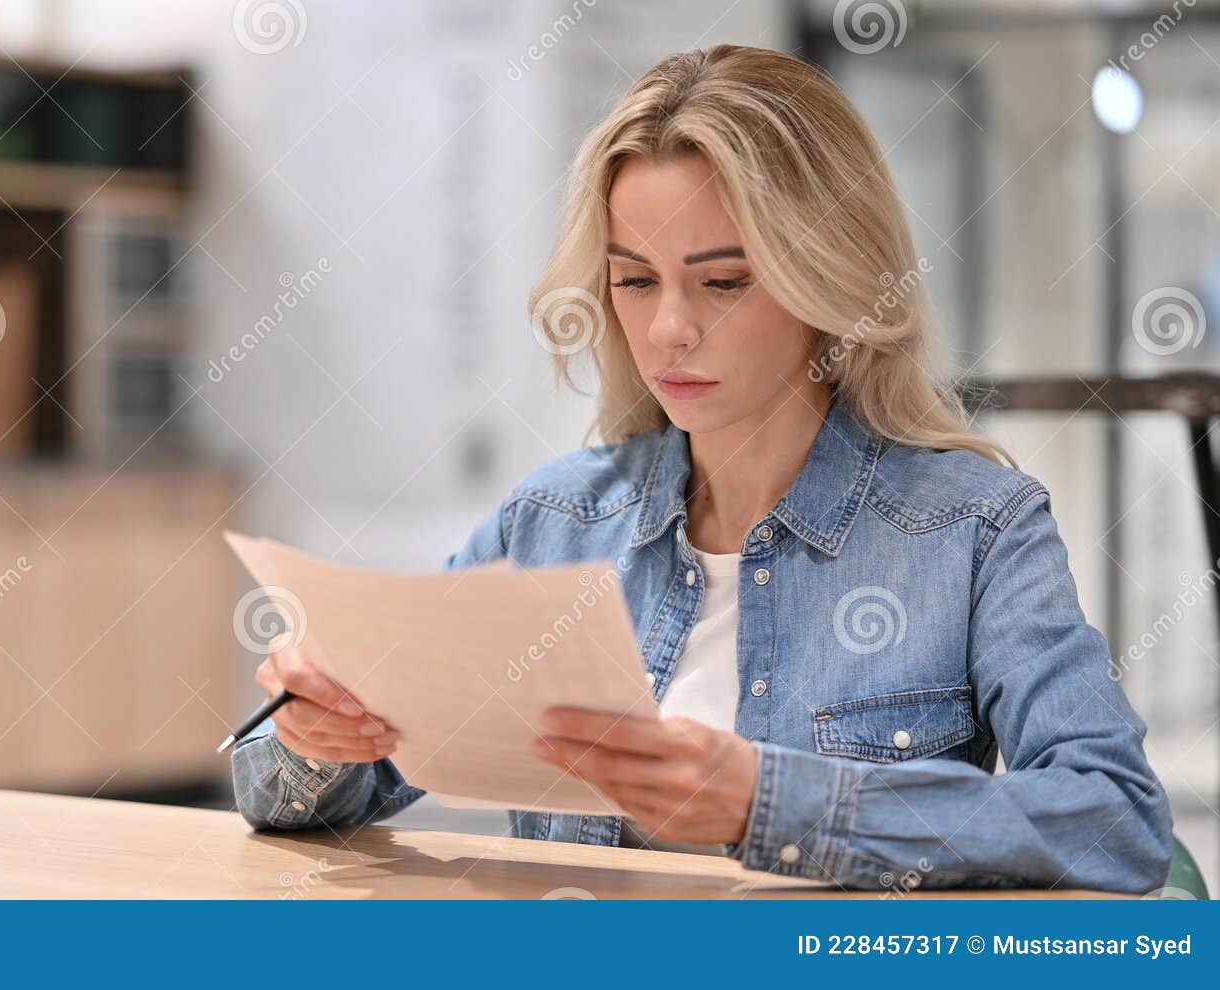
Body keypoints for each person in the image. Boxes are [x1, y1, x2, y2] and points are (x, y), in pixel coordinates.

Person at [229, 45, 1172, 892]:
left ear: (831, 278)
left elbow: (1116, 823)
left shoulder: (975, 530)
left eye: (723, 281)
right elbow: (290, 789)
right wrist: (318, 739)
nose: (669, 327)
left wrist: (771, 803)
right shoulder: (553, 521)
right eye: (634, 280)